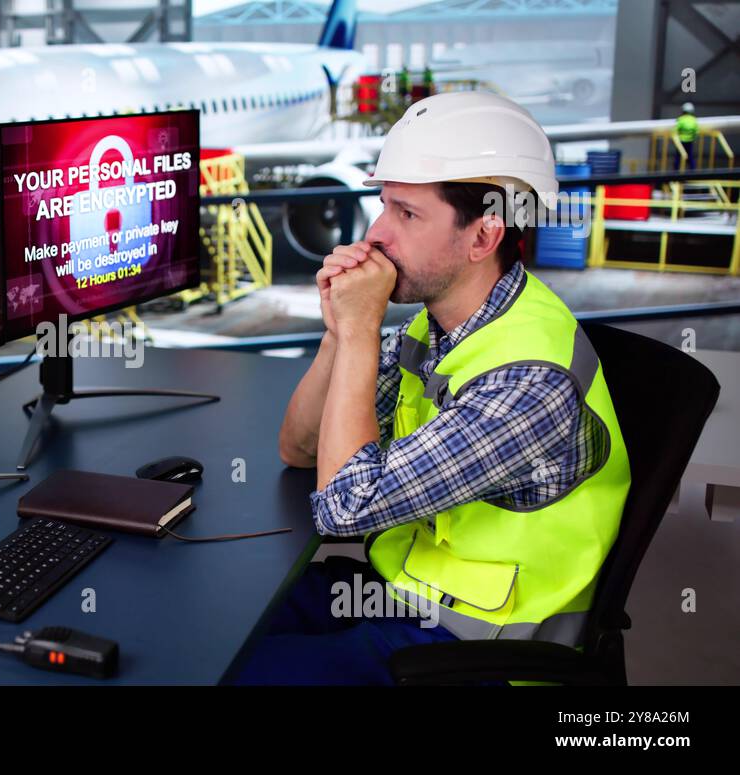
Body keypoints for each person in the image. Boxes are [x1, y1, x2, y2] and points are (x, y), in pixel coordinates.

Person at [235, 91, 631, 685]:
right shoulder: (438, 327)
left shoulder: (529, 383)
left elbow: (343, 508)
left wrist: (365, 327)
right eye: (383, 205)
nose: (376, 235)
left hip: (477, 644)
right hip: (404, 596)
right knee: (227, 627)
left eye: (407, 214)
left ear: (482, 237)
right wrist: (341, 332)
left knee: (232, 674)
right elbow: (301, 450)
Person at [676, 102, 698, 170]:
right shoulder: (694, 120)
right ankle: (692, 170)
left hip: (681, 141)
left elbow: (676, 129)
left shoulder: (681, 119)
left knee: (678, 157)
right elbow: (696, 131)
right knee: (690, 156)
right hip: (690, 141)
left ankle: (675, 171)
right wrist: (693, 138)